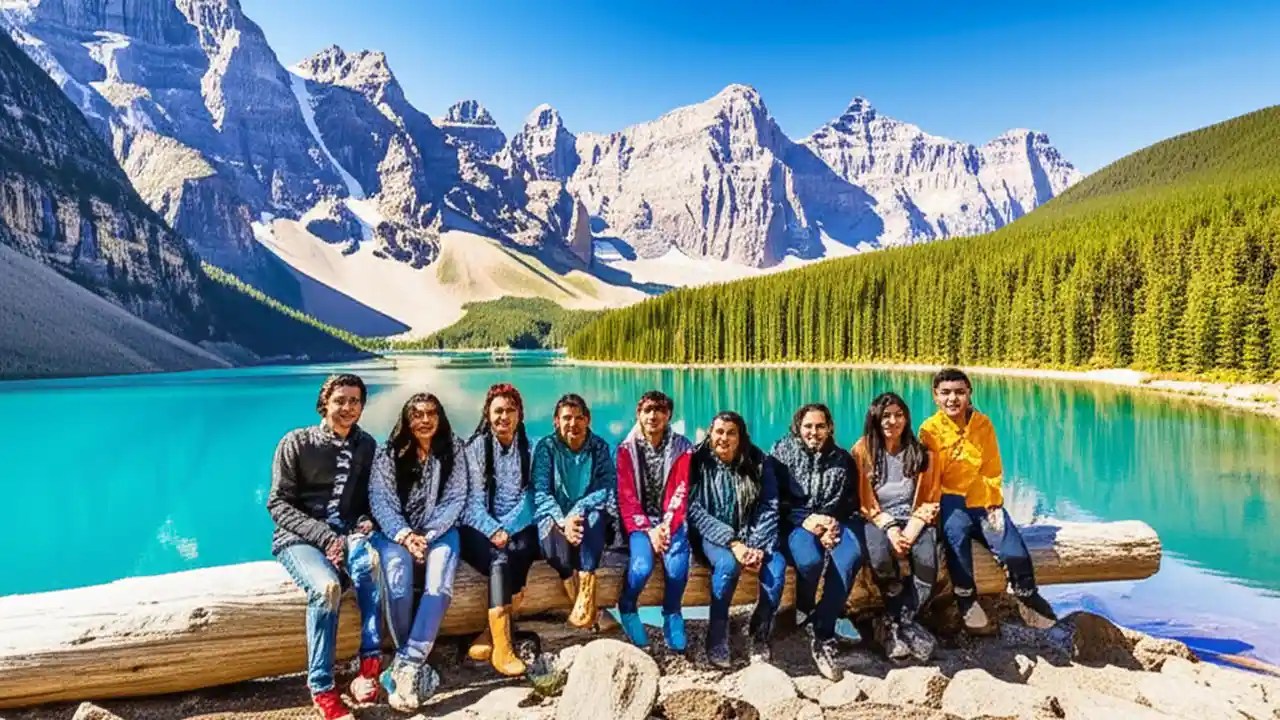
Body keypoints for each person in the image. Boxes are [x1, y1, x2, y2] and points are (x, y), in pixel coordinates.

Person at [266, 373, 382, 720]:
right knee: (327, 588)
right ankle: (322, 687)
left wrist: (365, 521)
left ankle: (370, 666)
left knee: (370, 567)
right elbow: (278, 504)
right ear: (324, 403)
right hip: (299, 539)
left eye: (355, 401)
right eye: (340, 400)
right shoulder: (297, 442)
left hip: (346, 535)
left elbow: (365, 500)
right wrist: (324, 537)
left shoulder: (367, 445)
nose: (348, 408)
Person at [919, 368, 1057, 632]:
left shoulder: (983, 424)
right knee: (956, 538)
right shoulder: (929, 430)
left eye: (960, 392)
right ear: (935, 396)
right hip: (950, 498)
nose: (953, 399)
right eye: (945, 393)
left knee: (1011, 547)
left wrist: (993, 500)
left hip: (983, 497)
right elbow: (929, 475)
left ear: (969, 394)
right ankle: (966, 599)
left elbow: (992, 466)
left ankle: (1026, 591)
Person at [368, 392, 468, 711]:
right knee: (397, 580)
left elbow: (456, 497)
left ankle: (406, 665)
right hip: (394, 533)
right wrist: (405, 535)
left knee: (439, 585)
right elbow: (380, 501)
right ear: (407, 420)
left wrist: (427, 535)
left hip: (439, 532)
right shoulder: (388, 453)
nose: (424, 420)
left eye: (431, 414)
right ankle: (410, 660)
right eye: (417, 415)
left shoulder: (454, 450)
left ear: (440, 417)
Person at [687, 411, 786, 668]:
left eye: (731, 433)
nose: (724, 438)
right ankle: (717, 635)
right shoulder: (696, 461)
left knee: (775, 573)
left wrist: (755, 544)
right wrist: (733, 543)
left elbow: (769, 505)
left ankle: (759, 632)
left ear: (740, 437)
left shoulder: (759, 461)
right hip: (713, 535)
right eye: (719, 432)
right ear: (710, 434)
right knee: (727, 567)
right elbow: (693, 509)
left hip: (755, 535)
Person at [771, 403, 862, 681]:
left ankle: (823, 631)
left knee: (849, 558)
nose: (814, 432)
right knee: (809, 560)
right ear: (798, 428)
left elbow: (850, 500)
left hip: (833, 522)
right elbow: (773, 499)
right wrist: (805, 519)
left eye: (820, 426)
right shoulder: (780, 453)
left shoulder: (842, 458)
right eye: (808, 426)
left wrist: (831, 520)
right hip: (795, 524)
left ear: (829, 428)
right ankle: (804, 608)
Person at [853, 391, 942, 662]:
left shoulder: (923, 453)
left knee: (928, 562)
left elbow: (931, 496)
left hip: (915, 519)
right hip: (877, 519)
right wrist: (890, 527)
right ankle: (898, 622)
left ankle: (897, 620)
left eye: (899, 415)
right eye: (886, 416)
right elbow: (861, 500)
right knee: (880, 557)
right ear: (875, 420)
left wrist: (913, 527)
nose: (893, 421)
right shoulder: (862, 451)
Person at [459, 383, 539, 676]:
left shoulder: (530, 448)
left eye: (510, 410)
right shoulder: (476, 449)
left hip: (516, 526)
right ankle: (504, 648)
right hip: (478, 527)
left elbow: (531, 497)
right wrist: (493, 530)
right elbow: (471, 503)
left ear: (520, 414)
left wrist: (509, 528)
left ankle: (488, 633)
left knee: (526, 549)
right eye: (498, 411)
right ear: (487, 414)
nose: (504, 417)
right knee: (501, 559)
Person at [614, 390, 694, 652]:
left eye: (659, 410)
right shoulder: (626, 449)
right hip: (638, 521)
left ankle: (672, 613)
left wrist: (666, 527)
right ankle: (627, 607)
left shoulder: (683, 448)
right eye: (647, 410)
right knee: (640, 566)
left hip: (671, 520)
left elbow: (680, 492)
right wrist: (649, 531)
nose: (653, 416)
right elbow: (626, 497)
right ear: (639, 414)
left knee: (678, 566)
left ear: (668, 415)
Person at [532, 393, 616, 629]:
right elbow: (540, 491)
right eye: (566, 418)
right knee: (551, 543)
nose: (573, 424)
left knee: (596, 518)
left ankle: (587, 588)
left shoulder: (599, 447)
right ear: (556, 421)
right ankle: (592, 613)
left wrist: (577, 511)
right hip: (556, 516)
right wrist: (562, 520)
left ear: (588, 420)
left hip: (585, 515)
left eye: (579, 418)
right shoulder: (546, 448)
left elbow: (606, 487)